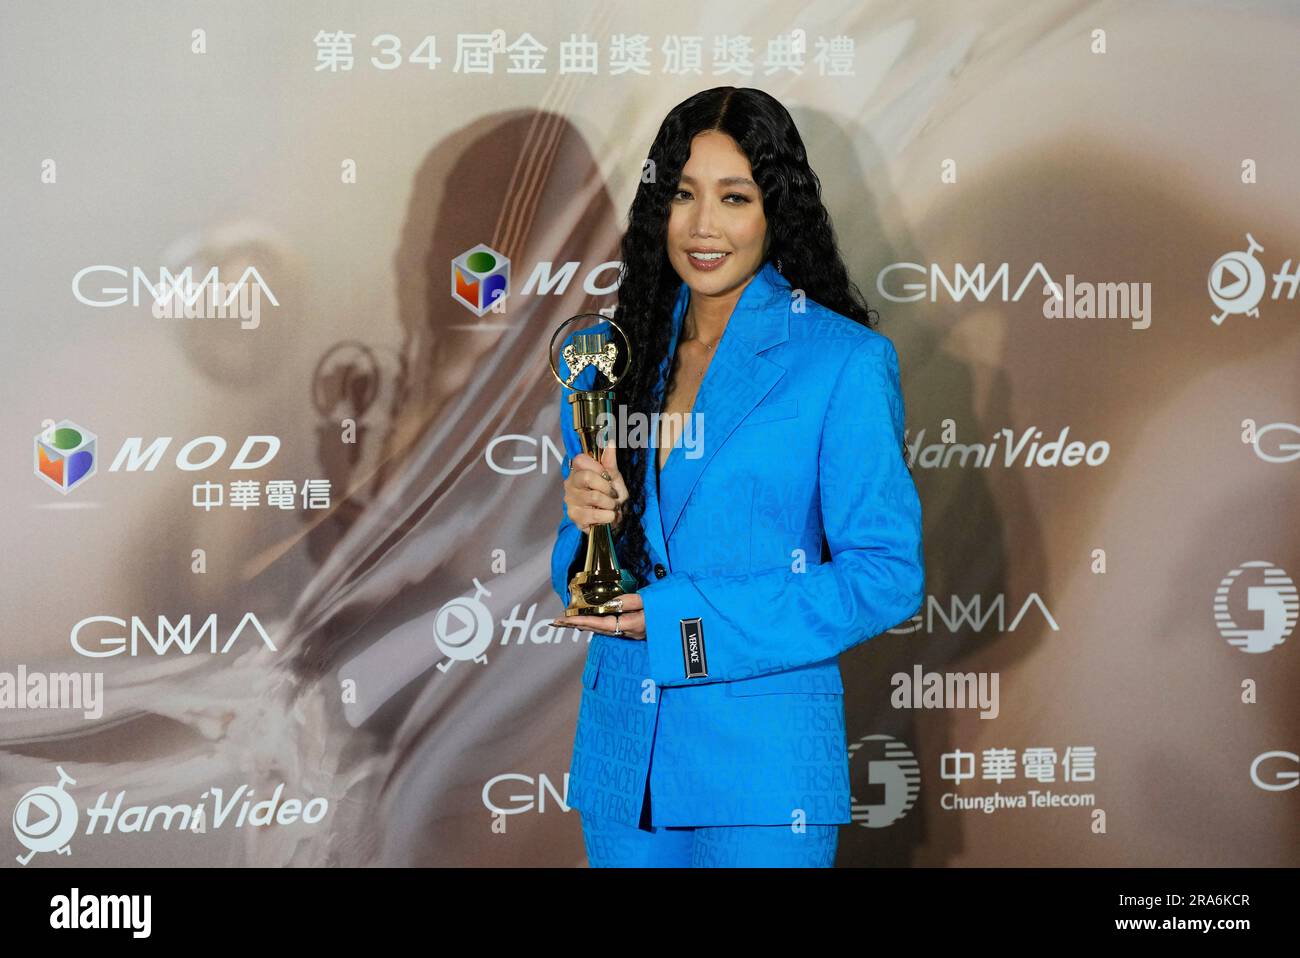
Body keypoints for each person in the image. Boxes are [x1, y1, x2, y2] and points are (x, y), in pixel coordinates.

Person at [548, 86, 925, 867]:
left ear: (774, 209)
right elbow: (582, 581)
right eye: (683, 195)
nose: (703, 226)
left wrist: (685, 622)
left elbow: (886, 575)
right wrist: (584, 527)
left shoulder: (842, 362)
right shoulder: (612, 362)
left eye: (733, 197)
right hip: (625, 767)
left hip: (764, 772)